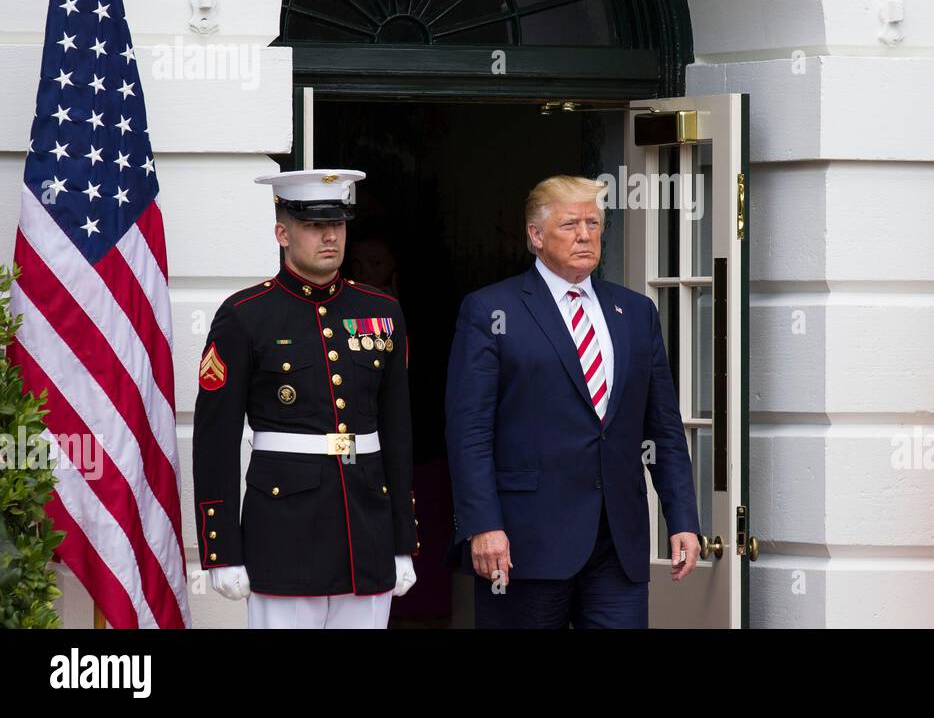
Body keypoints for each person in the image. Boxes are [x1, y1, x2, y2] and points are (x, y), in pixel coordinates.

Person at [445, 174, 701, 628]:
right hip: (525, 542)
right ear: (535, 236)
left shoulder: (636, 311)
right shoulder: (490, 310)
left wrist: (681, 518)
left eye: (594, 223)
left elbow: (662, 426)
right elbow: (469, 432)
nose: (585, 235)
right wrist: (482, 525)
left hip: (617, 544)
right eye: (570, 225)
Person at [192, 169, 418, 628]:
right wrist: (221, 551)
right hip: (283, 533)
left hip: (367, 532)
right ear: (282, 232)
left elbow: (398, 435)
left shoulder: (382, 312)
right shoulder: (245, 316)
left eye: (337, 224)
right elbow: (214, 441)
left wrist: (402, 539)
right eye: (314, 225)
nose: (330, 236)